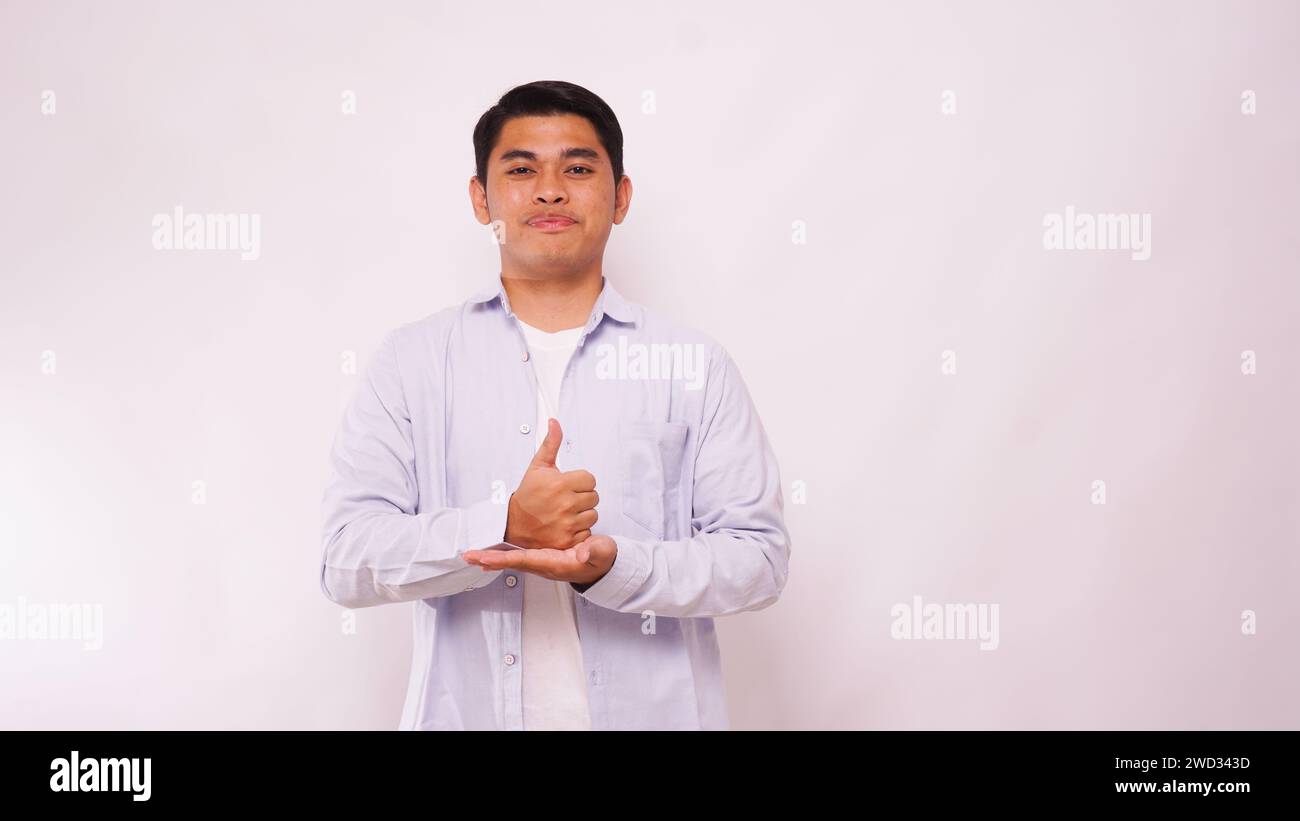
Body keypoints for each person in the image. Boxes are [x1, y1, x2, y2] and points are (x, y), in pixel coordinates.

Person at [319, 80, 791, 730]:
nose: (549, 190)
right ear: (481, 198)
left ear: (620, 197)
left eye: (577, 168)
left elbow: (759, 561)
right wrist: (505, 525)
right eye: (521, 170)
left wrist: (616, 567)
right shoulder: (413, 361)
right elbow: (346, 560)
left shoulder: (693, 364)